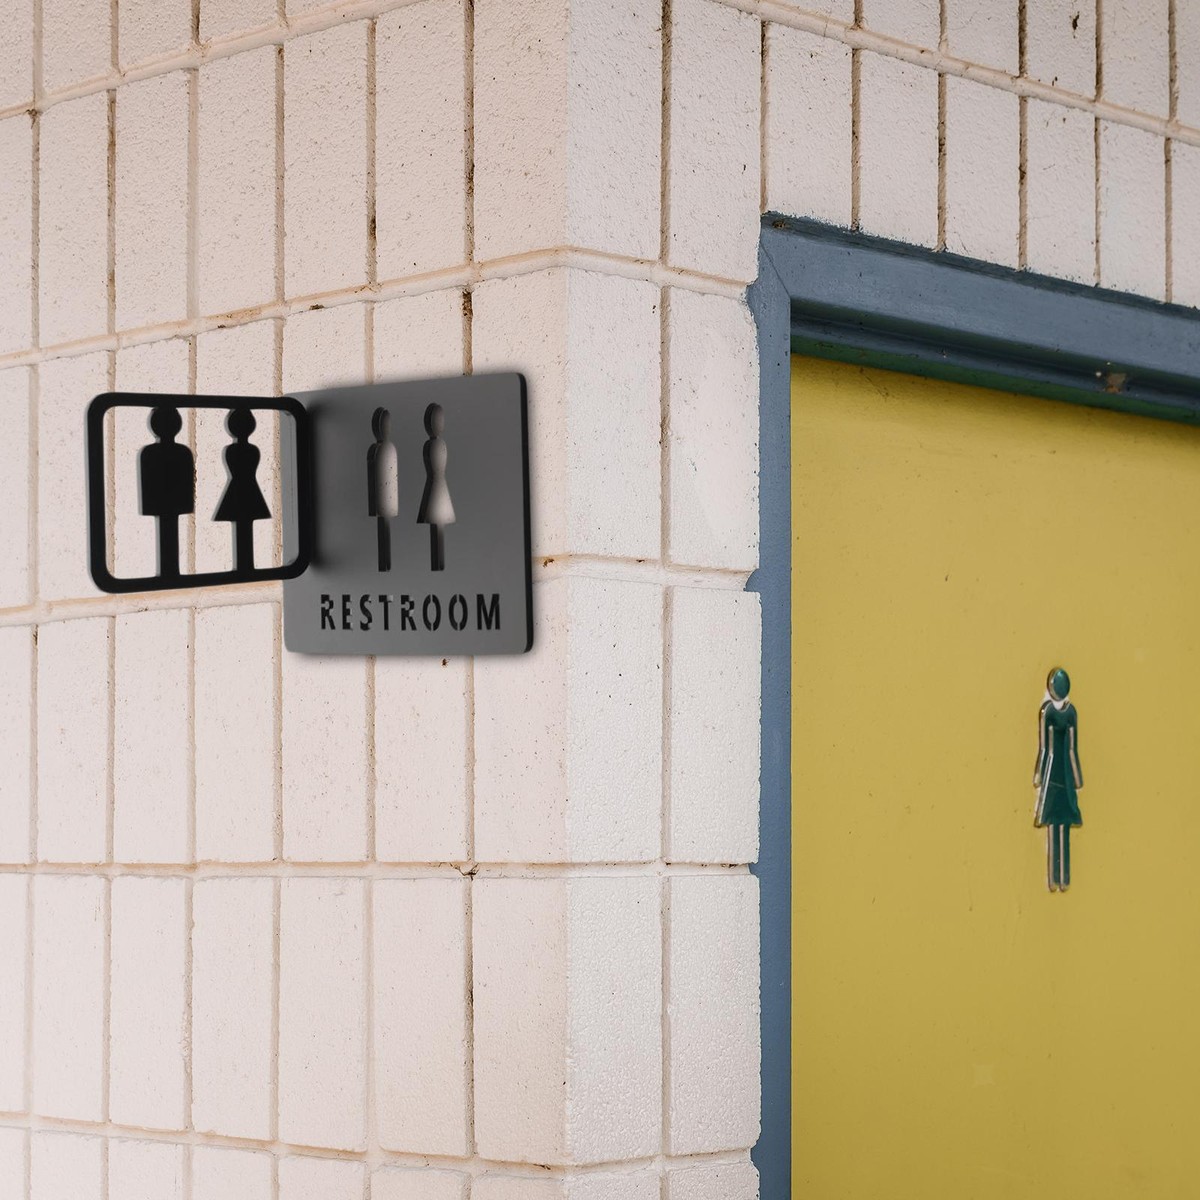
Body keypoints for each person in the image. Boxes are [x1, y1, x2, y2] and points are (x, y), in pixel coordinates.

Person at [1033, 667, 1083, 892]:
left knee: (1057, 821)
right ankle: (1058, 879)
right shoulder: (1056, 714)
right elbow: (1068, 750)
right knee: (1058, 823)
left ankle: (1060, 878)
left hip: (1055, 772)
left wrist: (1040, 774)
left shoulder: (1064, 714)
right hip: (1059, 772)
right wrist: (1076, 777)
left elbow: (1049, 749)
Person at [139, 405, 194, 581]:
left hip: (164, 501)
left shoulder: (150, 452)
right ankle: (169, 572)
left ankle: (170, 572)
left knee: (168, 532)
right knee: (169, 532)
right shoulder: (182, 452)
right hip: (169, 501)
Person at [214, 408, 271, 574]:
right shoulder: (253, 450)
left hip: (238, 490)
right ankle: (245, 565)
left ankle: (245, 566)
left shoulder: (231, 450)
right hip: (249, 490)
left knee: (243, 524)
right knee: (245, 523)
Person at [417, 402, 455, 571]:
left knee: (438, 528)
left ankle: (439, 565)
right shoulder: (438, 445)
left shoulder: (433, 445)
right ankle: (438, 565)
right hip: (437, 487)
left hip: (436, 487)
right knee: (437, 529)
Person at [367, 407, 399, 572]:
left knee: (385, 531)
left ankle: (386, 565)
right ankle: (384, 565)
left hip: (388, 499)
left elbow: (392, 474)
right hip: (382, 498)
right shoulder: (377, 450)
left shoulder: (388, 449)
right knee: (383, 533)